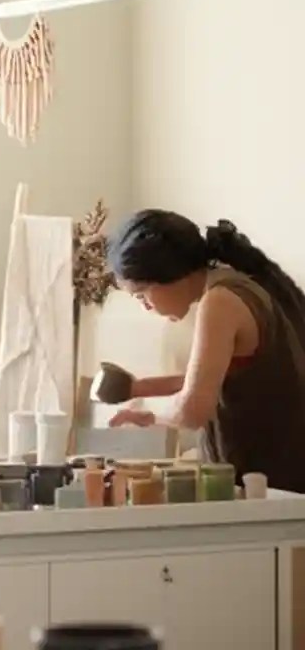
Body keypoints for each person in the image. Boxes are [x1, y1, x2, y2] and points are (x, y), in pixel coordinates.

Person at [104, 209, 305, 493]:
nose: (145, 307)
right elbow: (210, 376)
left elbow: (192, 410)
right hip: (277, 484)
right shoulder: (243, 284)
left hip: (270, 488)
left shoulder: (220, 302)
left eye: (141, 295)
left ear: (166, 271)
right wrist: (138, 388)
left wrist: (150, 415)